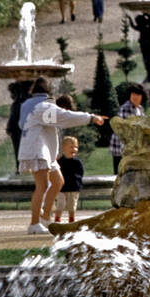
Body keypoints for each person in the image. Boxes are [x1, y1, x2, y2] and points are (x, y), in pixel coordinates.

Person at [18, 77, 104, 231]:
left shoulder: (30, 105)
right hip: (37, 150)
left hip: (42, 150)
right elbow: (65, 117)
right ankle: (34, 223)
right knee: (42, 186)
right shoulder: (43, 106)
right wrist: (91, 117)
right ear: (48, 91)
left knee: (58, 182)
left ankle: (44, 219)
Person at [109, 84, 146, 175]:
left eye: (137, 94)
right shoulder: (127, 108)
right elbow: (126, 129)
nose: (134, 97)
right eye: (133, 94)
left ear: (142, 96)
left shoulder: (140, 109)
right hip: (121, 148)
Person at [55, 134, 84, 223]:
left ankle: (71, 220)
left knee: (72, 206)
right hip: (61, 188)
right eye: (71, 147)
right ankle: (57, 219)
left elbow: (81, 173)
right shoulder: (59, 161)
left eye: (76, 147)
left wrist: (78, 184)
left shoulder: (77, 162)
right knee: (60, 204)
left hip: (73, 187)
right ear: (63, 148)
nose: (74, 149)